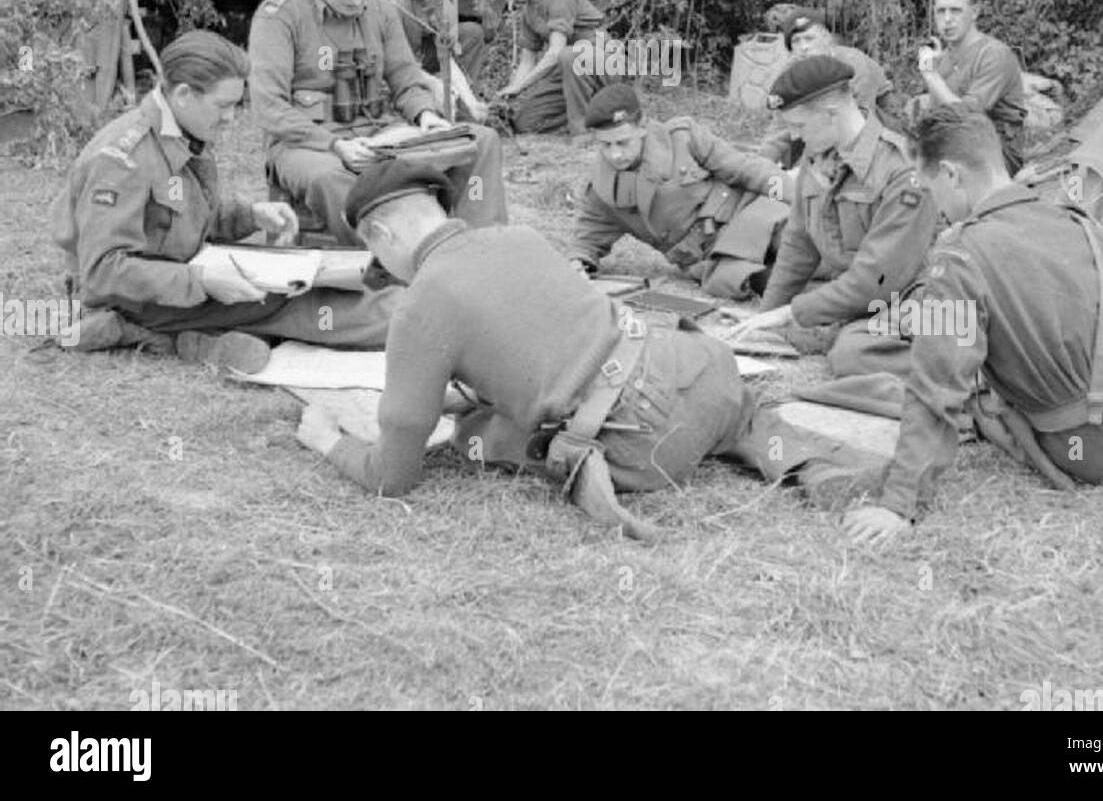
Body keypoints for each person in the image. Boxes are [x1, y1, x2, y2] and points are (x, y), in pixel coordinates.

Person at [295, 159, 900, 535]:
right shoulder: (520, 236)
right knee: (735, 413)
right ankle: (810, 461)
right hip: (697, 367)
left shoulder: (422, 302)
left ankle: (778, 454)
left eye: (378, 256)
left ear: (378, 234)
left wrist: (329, 441)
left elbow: (393, 476)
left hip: (640, 443)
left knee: (474, 437)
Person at [844, 105, 1103, 547]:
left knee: (976, 395)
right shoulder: (1074, 218)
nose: (936, 208)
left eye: (931, 189)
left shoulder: (959, 258)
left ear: (952, 175)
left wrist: (897, 504)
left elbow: (936, 389)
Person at [51, 31, 396, 369]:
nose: (231, 118)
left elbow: (179, 215)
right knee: (291, 301)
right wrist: (200, 282)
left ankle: (186, 338)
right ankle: (414, 320)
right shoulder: (121, 160)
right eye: (224, 105)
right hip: (135, 299)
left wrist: (252, 215)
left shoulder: (179, 130)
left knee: (308, 279)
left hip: (182, 274)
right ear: (184, 94)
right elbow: (102, 271)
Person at [248, 0, 508, 246]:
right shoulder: (280, 16)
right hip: (307, 144)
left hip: (379, 133)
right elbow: (268, 107)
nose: (359, 1)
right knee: (332, 178)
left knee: (479, 141)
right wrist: (334, 145)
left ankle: (476, 249)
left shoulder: (380, 8)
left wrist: (426, 115)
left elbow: (406, 78)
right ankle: (386, 264)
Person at [728, 57, 939, 380]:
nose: (795, 138)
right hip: (860, 297)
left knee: (851, 355)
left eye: (798, 126)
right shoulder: (818, 155)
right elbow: (798, 245)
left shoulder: (901, 170)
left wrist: (792, 312)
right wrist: (766, 317)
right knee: (799, 329)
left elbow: (877, 280)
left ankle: (961, 367)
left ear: (831, 113)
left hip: (912, 296)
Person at [568, 84, 793, 299]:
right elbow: (586, 241)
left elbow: (748, 170)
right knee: (776, 283)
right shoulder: (601, 190)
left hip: (747, 215)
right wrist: (578, 262)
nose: (615, 154)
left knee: (799, 244)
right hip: (715, 256)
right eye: (606, 145)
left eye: (623, 142)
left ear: (642, 127)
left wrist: (789, 197)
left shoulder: (682, 137)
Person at [759, 8, 898, 168]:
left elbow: (857, 120)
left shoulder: (853, 63)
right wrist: (760, 166)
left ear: (826, 39)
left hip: (879, 119)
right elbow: (780, 125)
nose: (804, 47)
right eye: (796, 41)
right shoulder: (791, 72)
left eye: (809, 38)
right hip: (823, 121)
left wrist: (814, 167)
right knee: (792, 143)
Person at [916, 0, 1027, 174]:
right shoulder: (942, 58)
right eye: (941, 11)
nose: (947, 19)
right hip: (954, 144)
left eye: (955, 10)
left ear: (974, 12)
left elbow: (966, 116)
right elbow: (937, 116)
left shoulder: (994, 54)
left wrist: (931, 75)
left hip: (996, 153)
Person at [488, 0, 608, 134]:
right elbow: (526, 62)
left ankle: (582, 130)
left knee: (569, 56)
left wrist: (520, 86)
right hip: (569, 71)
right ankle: (596, 113)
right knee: (525, 123)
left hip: (603, 63)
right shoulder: (528, 12)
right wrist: (510, 93)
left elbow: (555, 53)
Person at [377, 0, 488, 121]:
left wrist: (470, 100)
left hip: (422, 59)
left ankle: (461, 106)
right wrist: (433, 84)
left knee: (471, 32)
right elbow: (387, 58)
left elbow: (447, 59)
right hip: (395, 65)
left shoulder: (444, 4)